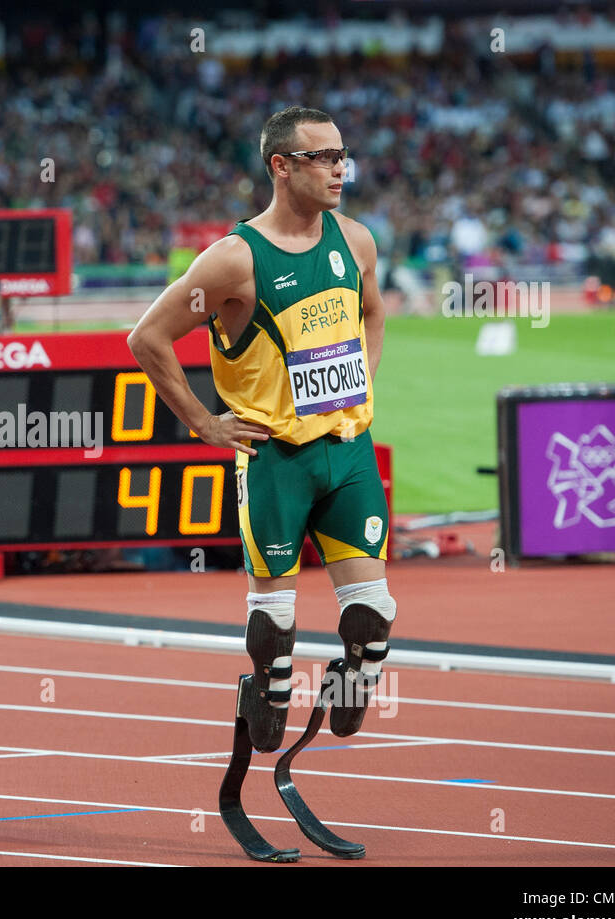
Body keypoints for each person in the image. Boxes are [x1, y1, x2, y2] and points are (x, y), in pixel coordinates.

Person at [128, 106, 395, 752]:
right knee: (276, 631)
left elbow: (374, 314)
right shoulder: (233, 261)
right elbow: (148, 338)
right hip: (276, 458)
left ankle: (343, 684)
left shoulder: (356, 240)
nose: (340, 168)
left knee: (373, 618)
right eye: (323, 157)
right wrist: (203, 423)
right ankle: (267, 686)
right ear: (281, 166)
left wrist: (359, 385)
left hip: (349, 454)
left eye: (342, 155)